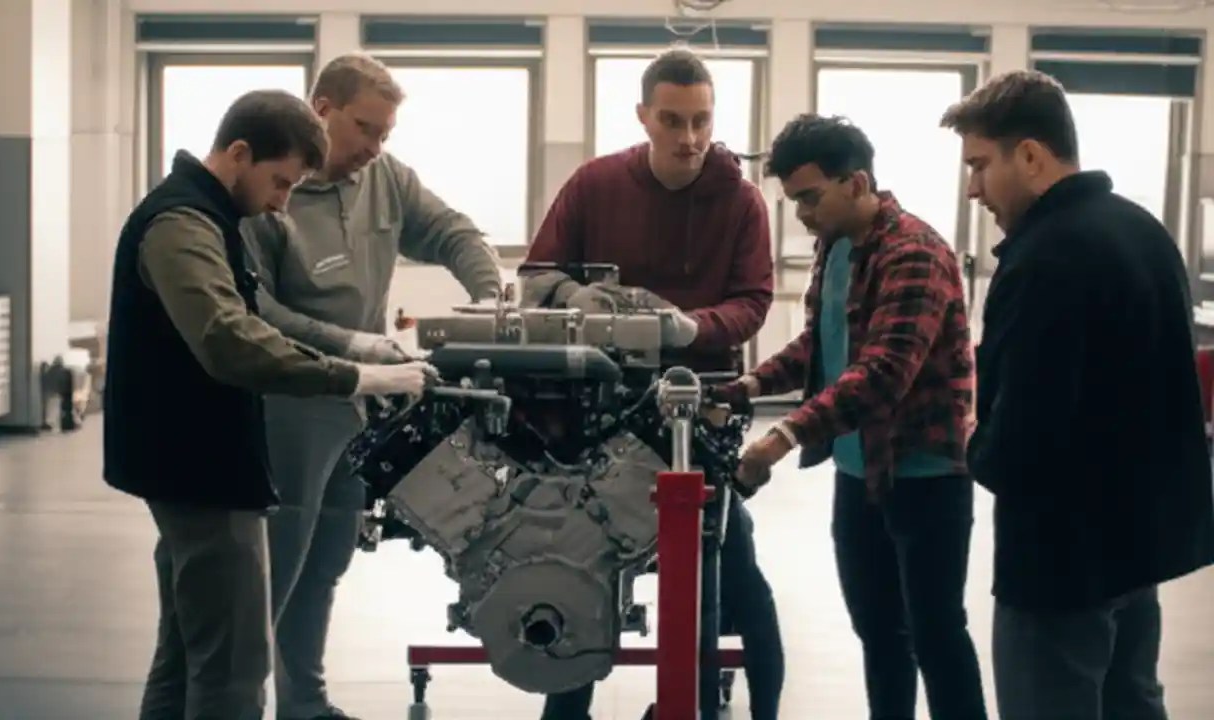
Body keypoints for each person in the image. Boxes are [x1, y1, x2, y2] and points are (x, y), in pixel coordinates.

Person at [103, 89, 436, 720]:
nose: (282, 203)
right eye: (280, 183)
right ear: (238, 153)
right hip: (200, 471)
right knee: (233, 668)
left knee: (185, 655)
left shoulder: (209, 220)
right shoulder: (182, 225)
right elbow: (231, 340)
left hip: (193, 464)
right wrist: (357, 377)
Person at [939, 69, 1214, 720]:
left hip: (1058, 564)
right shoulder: (1144, 232)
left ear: (1030, 155)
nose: (973, 188)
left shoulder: (1044, 257)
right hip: (1133, 550)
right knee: (1133, 704)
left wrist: (976, 443)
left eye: (980, 165)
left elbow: (1027, 436)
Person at [522, 48, 783, 720]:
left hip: (699, 417)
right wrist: (585, 302)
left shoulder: (742, 201)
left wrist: (685, 329)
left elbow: (755, 300)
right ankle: (566, 708)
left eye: (701, 120)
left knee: (725, 571)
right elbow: (536, 277)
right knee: (584, 564)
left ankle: (705, 704)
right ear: (643, 116)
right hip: (597, 415)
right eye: (672, 120)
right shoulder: (593, 184)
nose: (690, 138)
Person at [240, 52, 502, 720]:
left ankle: (304, 704)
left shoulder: (383, 177)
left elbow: (453, 231)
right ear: (321, 111)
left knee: (327, 563)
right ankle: (235, 705)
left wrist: (491, 300)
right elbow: (258, 309)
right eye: (366, 129)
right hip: (291, 404)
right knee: (276, 569)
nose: (374, 147)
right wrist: (355, 345)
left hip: (359, 408)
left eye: (386, 134)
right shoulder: (270, 193)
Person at [724, 113, 988, 720]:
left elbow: (883, 372)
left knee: (936, 636)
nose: (803, 214)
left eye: (811, 197)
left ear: (859, 182)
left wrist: (783, 435)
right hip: (861, 473)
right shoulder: (837, 247)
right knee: (880, 633)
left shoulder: (915, 253)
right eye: (794, 200)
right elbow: (821, 347)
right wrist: (745, 388)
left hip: (925, 478)